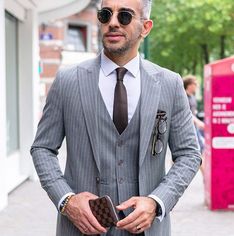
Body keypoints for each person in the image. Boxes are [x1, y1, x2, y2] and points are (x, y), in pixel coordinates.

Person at [30, 0, 201, 236]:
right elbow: (42, 148)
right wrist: (67, 201)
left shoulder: (169, 84)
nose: (112, 23)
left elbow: (189, 154)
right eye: (105, 14)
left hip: (148, 230)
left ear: (146, 27)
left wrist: (156, 202)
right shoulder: (68, 81)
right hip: (81, 228)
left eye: (125, 16)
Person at [183, 75, 205, 173]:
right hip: (187, 128)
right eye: (195, 84)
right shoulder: (183, 96)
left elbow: (193, 111)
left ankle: (204, 173)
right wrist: (198, 122)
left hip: (194, 127)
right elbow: (187, 113)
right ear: (189, 85)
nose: (196, 86)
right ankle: (204, 174)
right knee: (197, 150)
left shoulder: (192, 97)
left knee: (201, 147)